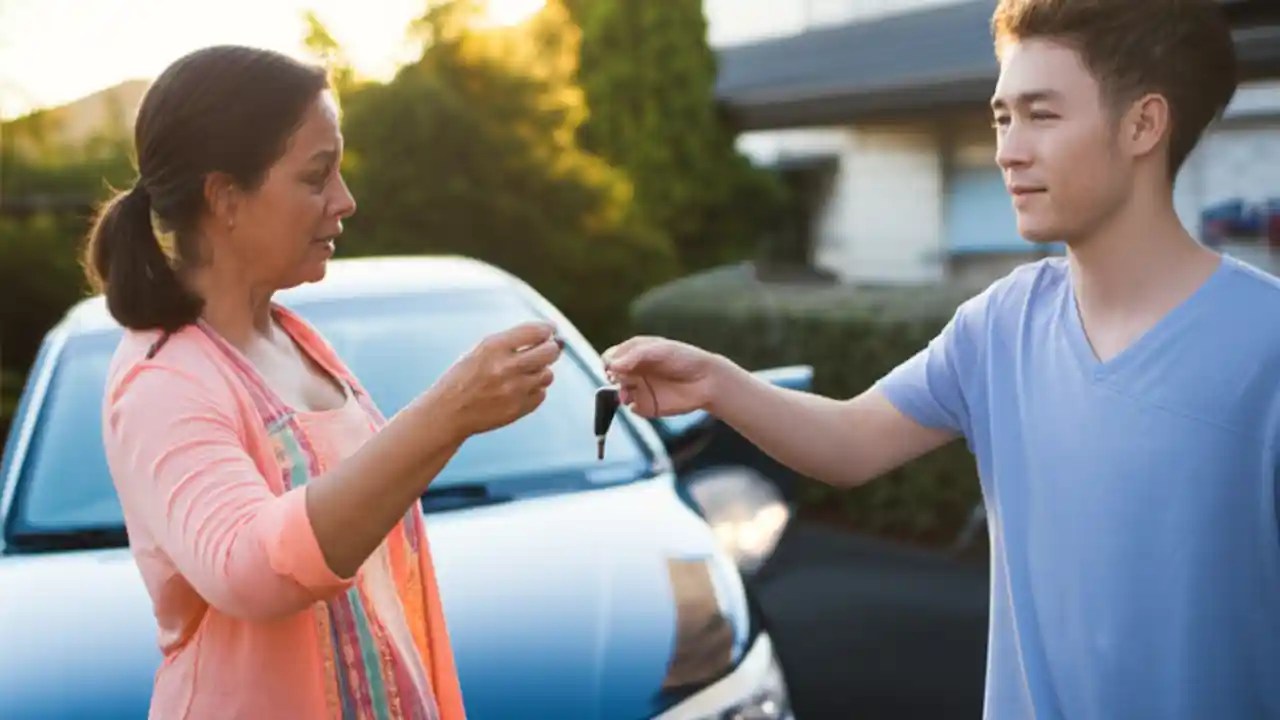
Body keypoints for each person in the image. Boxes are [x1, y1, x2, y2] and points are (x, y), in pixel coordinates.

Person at [605, 1, 1280, 717]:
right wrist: (717, 383)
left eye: (1041, 116)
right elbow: (850, 440)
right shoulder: (999, 326)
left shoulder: (1264, 344)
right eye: (1001, 117)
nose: (1007, 151)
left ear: (1143, 124)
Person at [88, 45, 560, 719]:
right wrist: (451, 411)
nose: (345, 201)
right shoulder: (162, 378)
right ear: (224, 197)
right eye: (317, 177)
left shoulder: (295, 339)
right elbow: (252, 569)